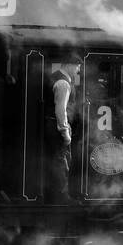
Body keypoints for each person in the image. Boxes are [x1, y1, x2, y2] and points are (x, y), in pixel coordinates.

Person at [45, 59, 80, 203]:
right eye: (77, 66)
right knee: (61, 160)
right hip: (57, 127)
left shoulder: (57, 77)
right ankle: (61, 197)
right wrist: (65, 132)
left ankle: (57, 194)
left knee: (59, 160)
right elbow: (60, 109)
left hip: (53, 125)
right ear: (68, 64)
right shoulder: (63, 83)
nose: (79, 70)